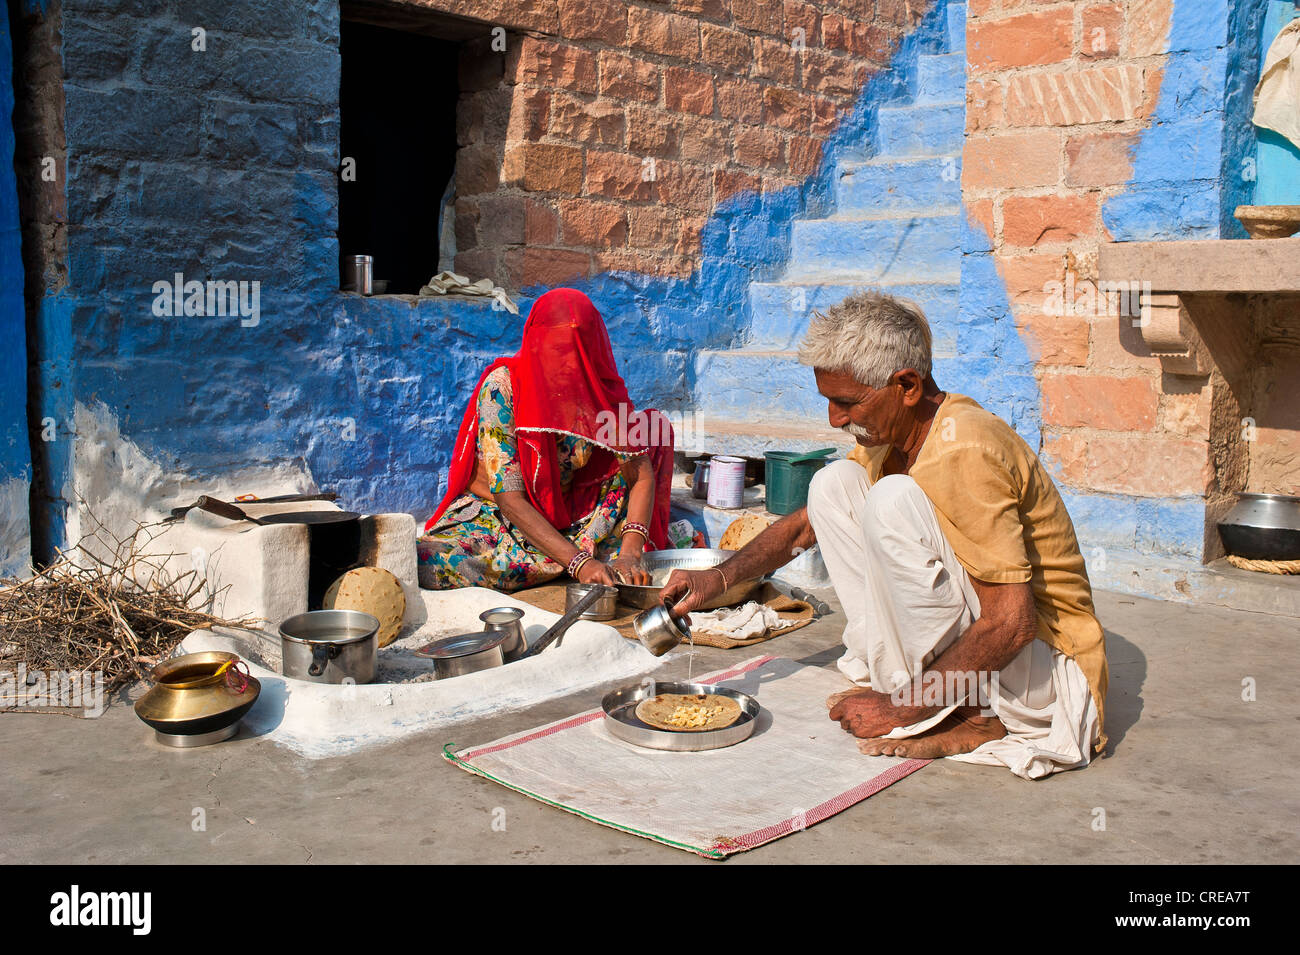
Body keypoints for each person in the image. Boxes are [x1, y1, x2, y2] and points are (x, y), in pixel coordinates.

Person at [661, 291, 1108, 780]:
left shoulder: (966, 448)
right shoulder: (895, 436)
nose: (834, 418)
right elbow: (807, 524)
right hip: (990, 656)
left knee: (892, 499)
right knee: (832, 486)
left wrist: (901, 710)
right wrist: (717, 582)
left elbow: (1013, 623)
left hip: (1038, 674)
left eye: (847, 402)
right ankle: (914, 685)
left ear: (907, 386)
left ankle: (976, 715)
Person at [419, 288, 673, 592]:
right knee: (431, 563)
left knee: (647, 443)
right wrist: (580, 563)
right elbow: (509, 499)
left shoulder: (598, 387)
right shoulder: (502, 390)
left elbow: (639, 473)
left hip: (575, 515)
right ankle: (569, 559)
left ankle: (573, 558)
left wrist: (631, 553)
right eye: (558, 350)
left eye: (576, 351)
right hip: (507, 516)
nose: (568, 364)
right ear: (537, 343)